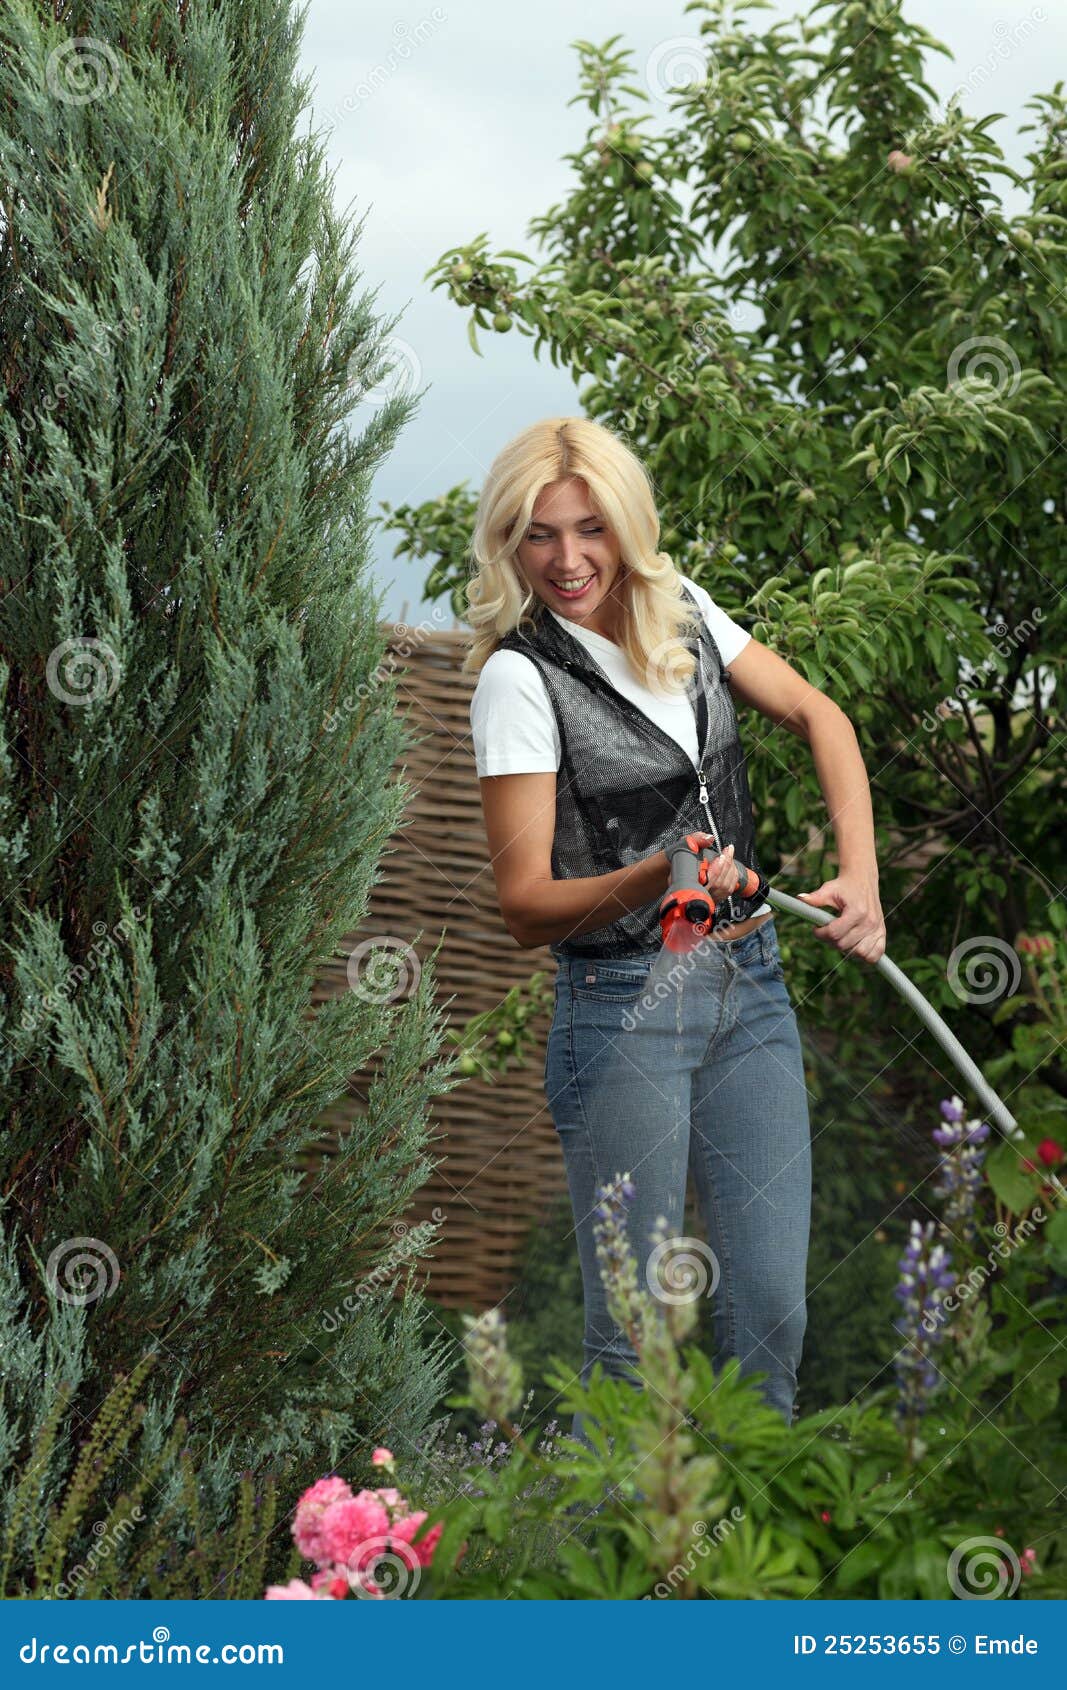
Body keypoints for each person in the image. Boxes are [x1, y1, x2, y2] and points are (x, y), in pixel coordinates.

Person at [464, 416, 886, 1446]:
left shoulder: (684, 611)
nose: (567, 559)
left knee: (768, 1317)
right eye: (537, 534)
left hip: (750, 988)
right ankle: (601, 1587)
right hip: (621, 1012)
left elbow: (819, 715)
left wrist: (860, 871)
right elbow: (522, 904)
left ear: (627, 527)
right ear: (507, 546)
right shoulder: (519, 680)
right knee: (634, 1341)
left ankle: (740, 1583)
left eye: (590, 528)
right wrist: (660, 873)